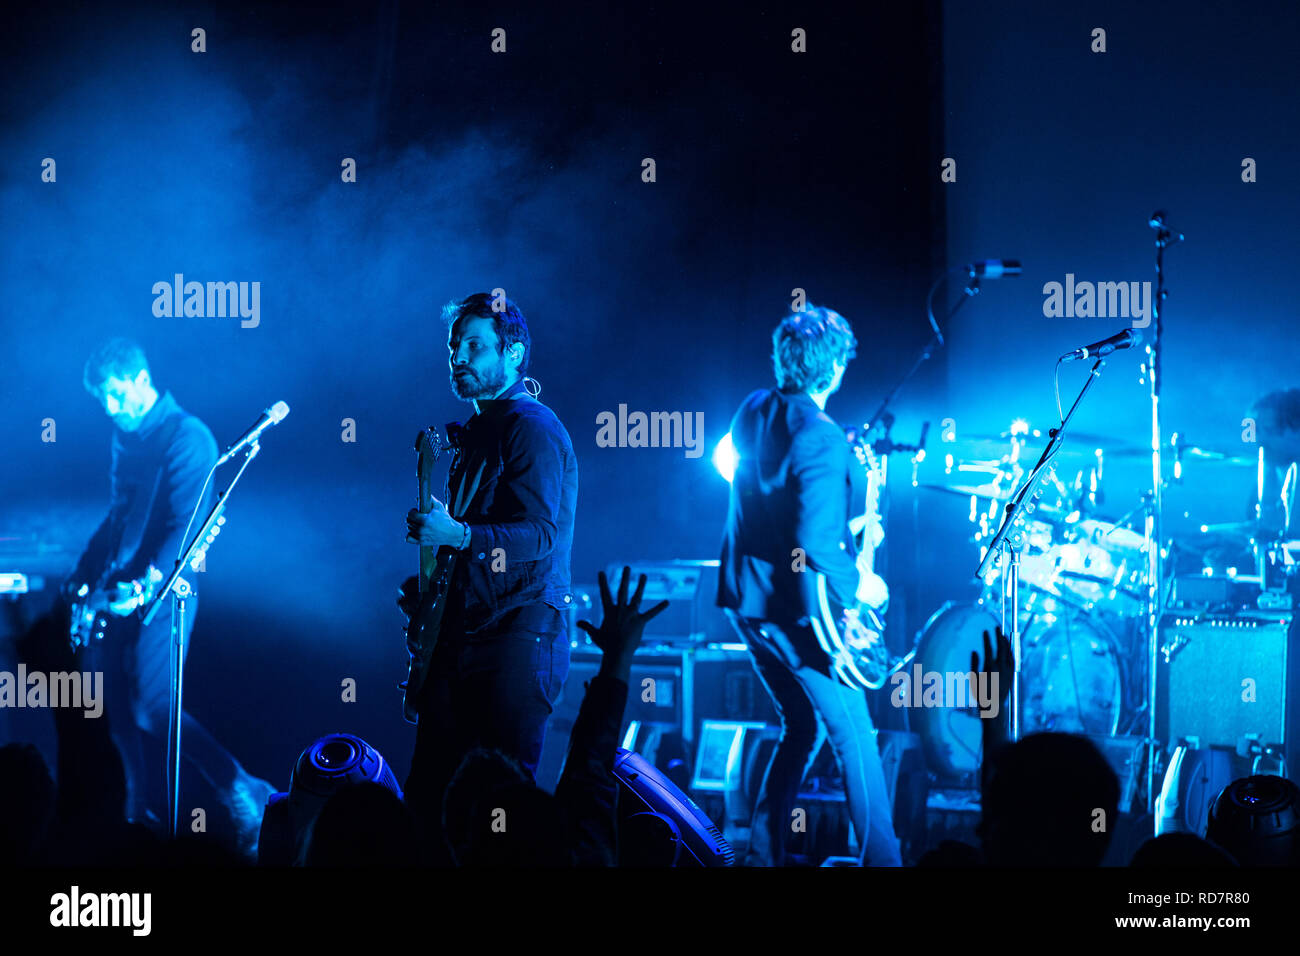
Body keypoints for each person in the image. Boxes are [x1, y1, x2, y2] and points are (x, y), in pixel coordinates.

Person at [67, 338, 274, 852]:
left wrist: (142, 587)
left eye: (116, 394)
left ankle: (243, 790)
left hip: (166, 591)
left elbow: (186, 527)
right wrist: (83, 576)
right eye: (102, 401)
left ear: (141, 379)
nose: (111, 408)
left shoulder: (188, 438)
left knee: (153, 705)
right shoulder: (127, 439)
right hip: (119, 593)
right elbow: (118, 516)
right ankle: (135, 815)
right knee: (113, 709)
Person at [716, 304, 900, 866]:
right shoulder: (822, 438)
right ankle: (885, 861)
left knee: (800, 725)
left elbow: (776, 496)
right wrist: (863, 587)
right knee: (855, 736)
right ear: (837, 369)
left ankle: (762, 854)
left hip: (746, 601)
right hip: (796, 616)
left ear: (783, 357)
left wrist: (845, 503)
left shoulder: (753, 409)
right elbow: (817, 547)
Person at [401, 293, 579, 856]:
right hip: (470, 636)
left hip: (519, 638)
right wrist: (433, 591)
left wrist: (459, 537)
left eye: (475, 344)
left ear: (514, 352)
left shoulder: (532, 427)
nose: (459, 355)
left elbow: (541, 535)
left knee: (499, 817)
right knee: (431, 807)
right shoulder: (478, 432)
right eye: (455, 345)